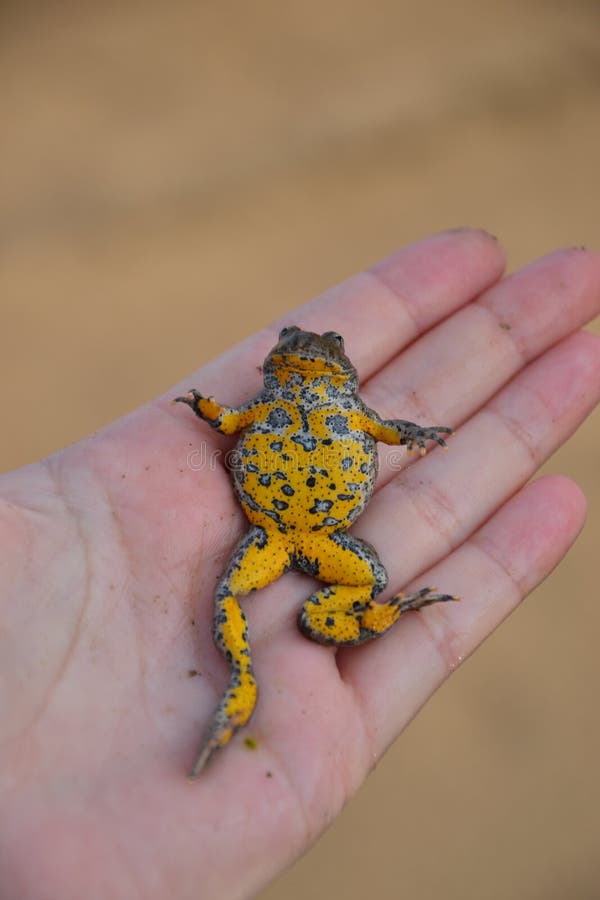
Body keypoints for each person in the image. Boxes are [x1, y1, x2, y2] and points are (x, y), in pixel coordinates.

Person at [1, 228, 599, 899]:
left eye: (326, 344)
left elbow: (390, 430)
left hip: (315, 540)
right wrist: (204, 409)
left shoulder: (348, 404)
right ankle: (239, 691)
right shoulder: (273, 399)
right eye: (292, 341)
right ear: (278, 359)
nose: (307, 347)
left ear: (342, 363)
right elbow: (229, 421)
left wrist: (421, 435)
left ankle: (359, 617)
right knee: (228, 596)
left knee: (365, 580)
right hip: (277, 536)